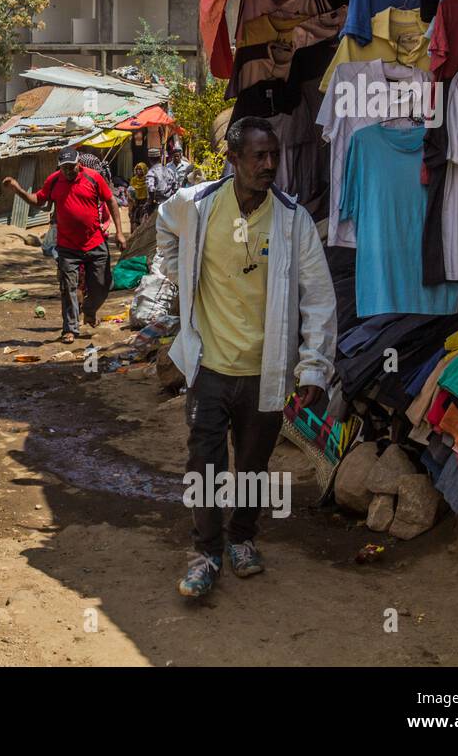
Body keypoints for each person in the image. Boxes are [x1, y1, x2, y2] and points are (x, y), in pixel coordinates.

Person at [155, 116, 336, 598]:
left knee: (253, 466)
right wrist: (181, 275)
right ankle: (206, 550)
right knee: (205, 465)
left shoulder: (293, 219)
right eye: (258, 156)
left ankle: (242, 538)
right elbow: (163, 225)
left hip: (266, 371)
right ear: (233, 159)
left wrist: (314, 364)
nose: (269, 165)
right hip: (210, 366)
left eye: (274, 155)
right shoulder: (197, 207)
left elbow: (318, 297)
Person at [3, 147, 125, 345]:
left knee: (103, 284)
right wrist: (18, 189)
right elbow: (38, 200)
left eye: (71, 167)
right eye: (64, 168)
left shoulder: (93, 178)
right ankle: (70, 328)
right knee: (68, 286)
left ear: (79, 164)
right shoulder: (54, 180)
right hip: (68, 246)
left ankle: (90, 310)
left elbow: (110, 200)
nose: (68, 171)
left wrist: (119, 232)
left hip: (95, 242)